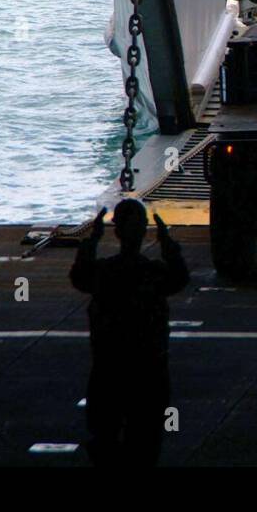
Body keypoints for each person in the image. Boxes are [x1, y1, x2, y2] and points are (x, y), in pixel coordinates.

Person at [70, 200, 189, 467]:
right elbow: (180, 278)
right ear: (144, 230)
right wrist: (168, 244)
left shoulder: (104, 273)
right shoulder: (154, 274)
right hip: (148, 369)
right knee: (145, 443)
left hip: (108, 368)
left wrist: (92, 240)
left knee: (105, 441)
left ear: (117, 231)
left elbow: (80, 276)